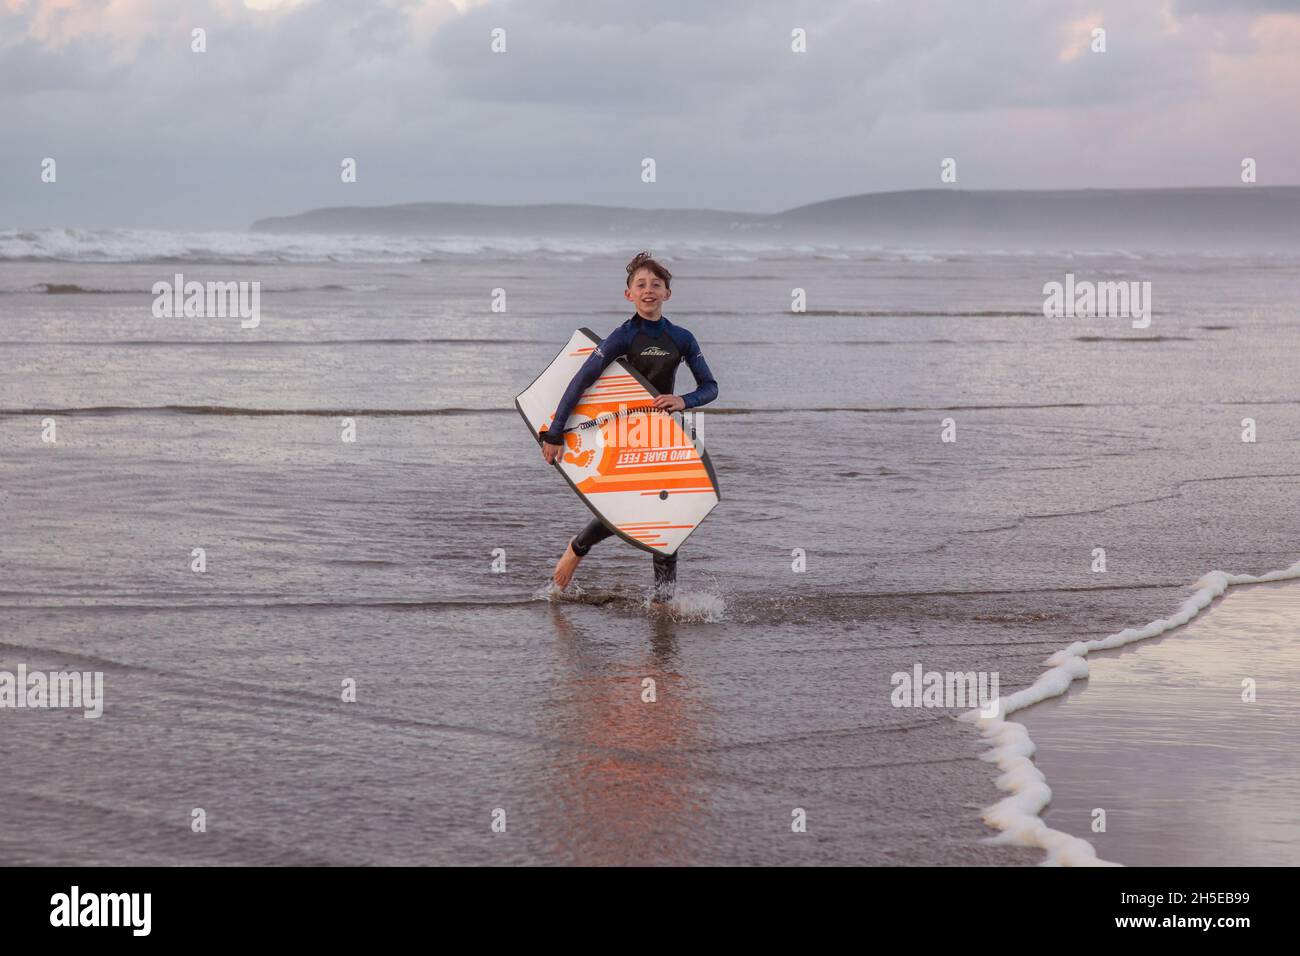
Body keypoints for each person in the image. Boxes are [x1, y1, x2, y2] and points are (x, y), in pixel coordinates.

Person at [542, 251, 718, 600]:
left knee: (667, 515)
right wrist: (556, 432)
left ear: (668, 293)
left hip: (665, 436)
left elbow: (710, 387)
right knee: (628, 506)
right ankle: (577, 548)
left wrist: (683, 400)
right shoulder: (622, 337)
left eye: (656, 284)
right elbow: (582, 380)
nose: (648, 290)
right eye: (641, 284)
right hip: (627, 436)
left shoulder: (682, 338)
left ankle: (664, 602)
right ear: (629, 294)